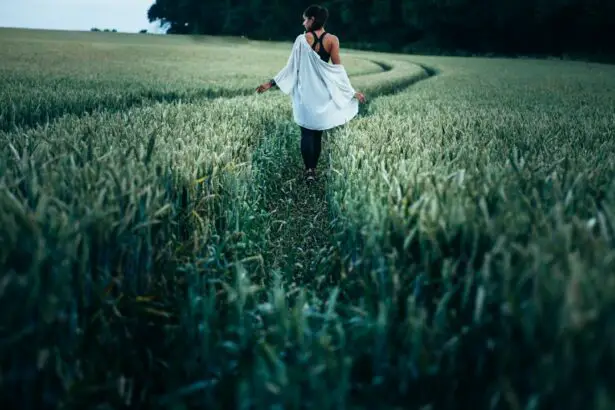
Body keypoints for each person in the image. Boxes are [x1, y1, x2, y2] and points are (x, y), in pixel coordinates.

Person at [256, 4, 366, 183]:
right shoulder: (332, 40)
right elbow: (337, 71)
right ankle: (313, 170)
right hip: (323, 93)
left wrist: (271, 82)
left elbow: (291, 67)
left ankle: (309, 171)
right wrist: (352, 92)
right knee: (318, 133)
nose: (303, 22)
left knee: (306, 132)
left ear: (312, 19)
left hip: (305, 93)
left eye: (305, 19)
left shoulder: (301, 40)